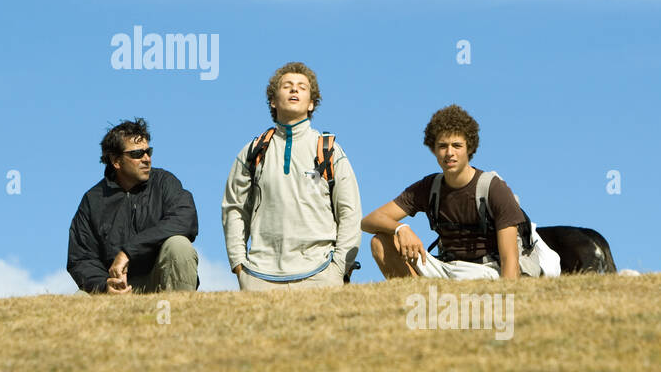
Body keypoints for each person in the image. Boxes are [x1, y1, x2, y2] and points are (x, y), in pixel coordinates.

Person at [361, 104, 543, 280]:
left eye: (457, 145)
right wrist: (401, 228)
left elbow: (509, 260)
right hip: (446, 268)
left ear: (469, 148)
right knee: (380, 242)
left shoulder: (493, 188)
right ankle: (421, 299)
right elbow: (369, 221)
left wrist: (507, 300)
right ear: (433, 149)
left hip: (485, 271)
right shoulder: (429, 187)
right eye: (442, 146)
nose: (449, 153)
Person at [221, 62, 361, 290]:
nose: (294, 90)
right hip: (260, 276)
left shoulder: (329, 150)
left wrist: (338, 269)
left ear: (312, 103)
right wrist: (239, 265)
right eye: (287, 86)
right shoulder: (252, 151)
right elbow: (234, 209)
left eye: (302, 87)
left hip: (321, 273)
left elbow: (350, 212)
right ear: (273, 101)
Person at [67, 118, 200, 294]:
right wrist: (104, 287)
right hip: (116, 291)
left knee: (179, 245)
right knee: (79, 298)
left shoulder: (164, 182)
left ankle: (180, 317)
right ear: (116, 161)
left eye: (148, 151)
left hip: (159, 284)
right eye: (137, 154)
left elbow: (185, 219)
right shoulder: (92, 201)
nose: (147, 159)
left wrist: (128, 252)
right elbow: (81, 259)